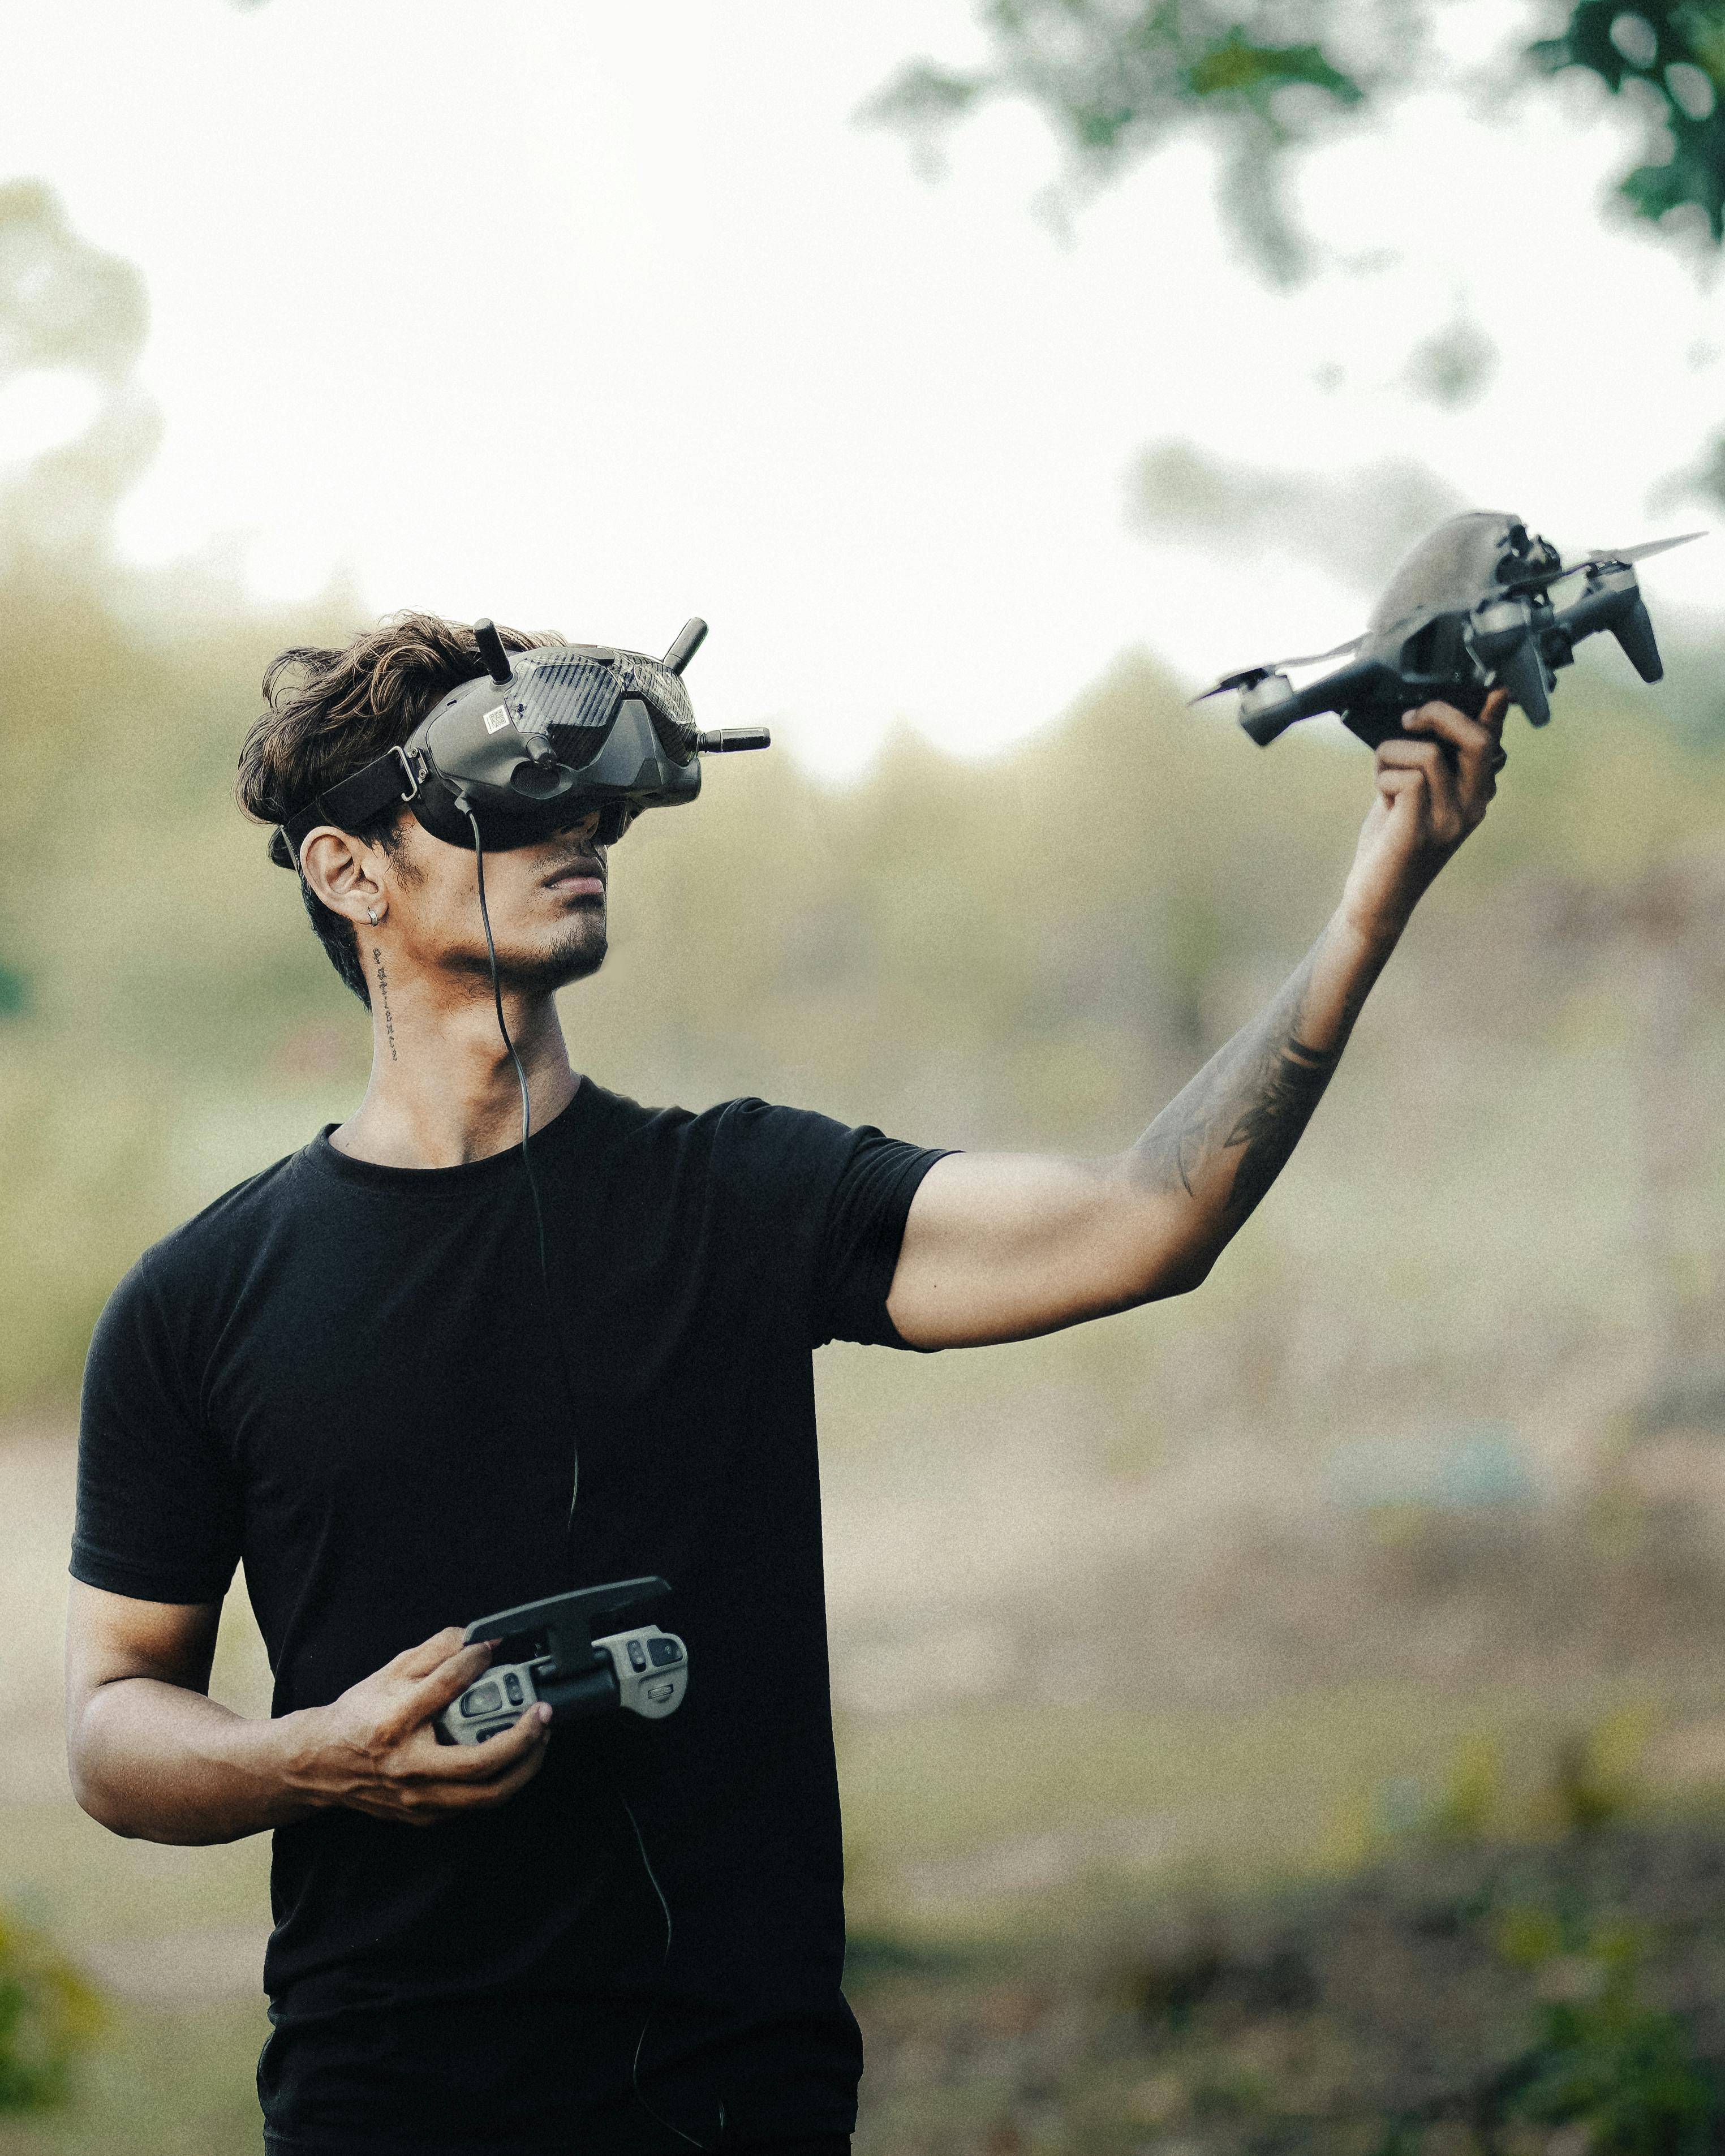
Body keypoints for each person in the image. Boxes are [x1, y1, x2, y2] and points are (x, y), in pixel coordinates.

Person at [64, 612, 1509, 2156]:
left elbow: (1143, 1220)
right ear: (347, 869)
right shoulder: (199, 1302)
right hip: (382, 2108)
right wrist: (317, 1754)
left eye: (593, 794)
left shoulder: (743, 1197)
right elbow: (111, 1721)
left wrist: (1381, 882)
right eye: (511, 794)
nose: (577, 829)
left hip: (738, 2104)